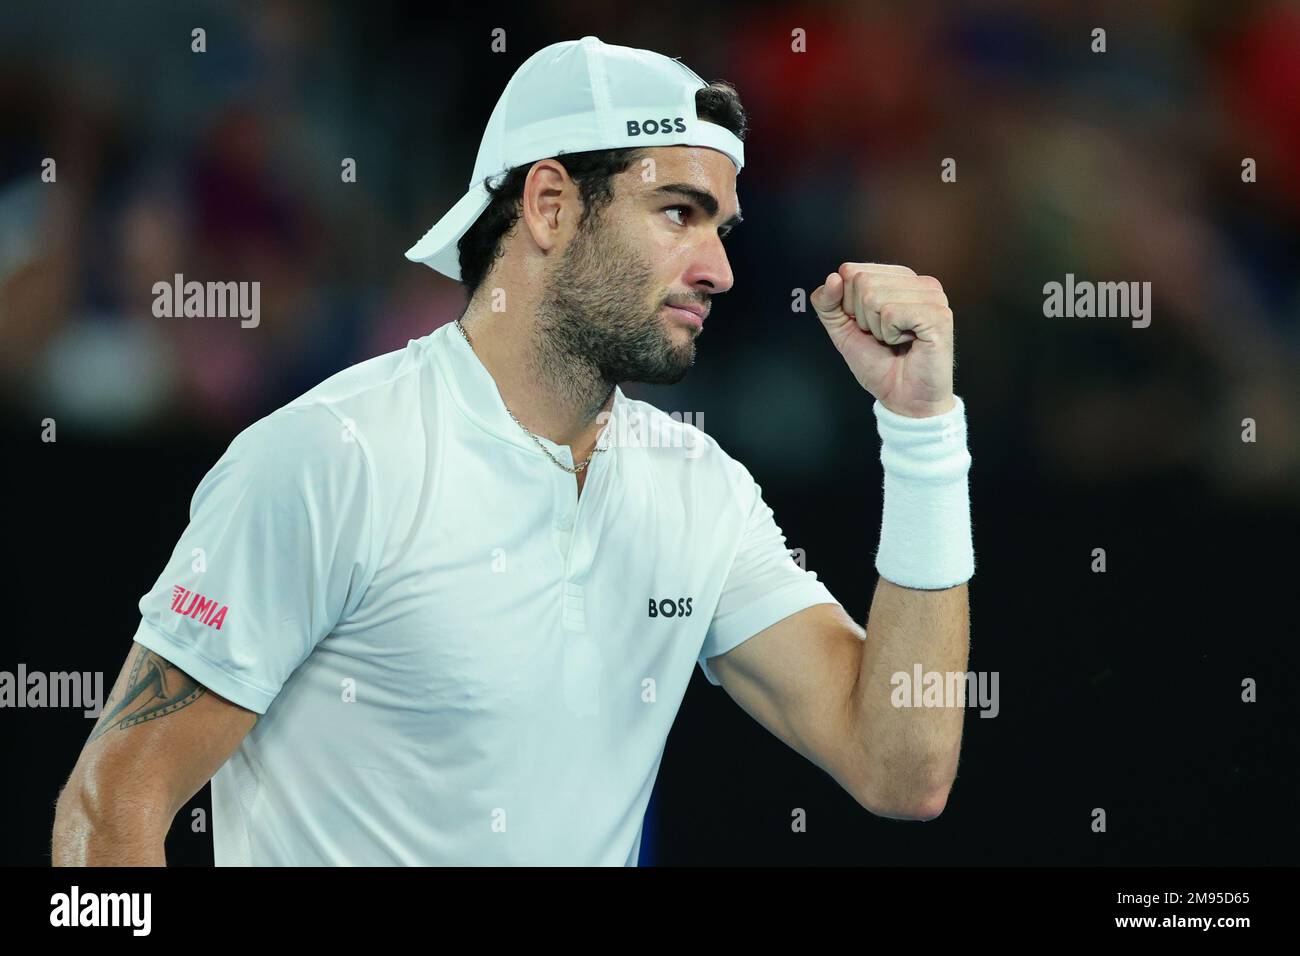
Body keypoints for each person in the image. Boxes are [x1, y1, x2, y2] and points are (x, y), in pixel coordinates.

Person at [52, 36, 973, 866]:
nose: (720, 268)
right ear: (550, 204)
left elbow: (901, 768)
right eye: (677, 213)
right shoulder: (331, 458)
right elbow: (110, 813)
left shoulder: (702, 492)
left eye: (719, 228)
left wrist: (923, 429)